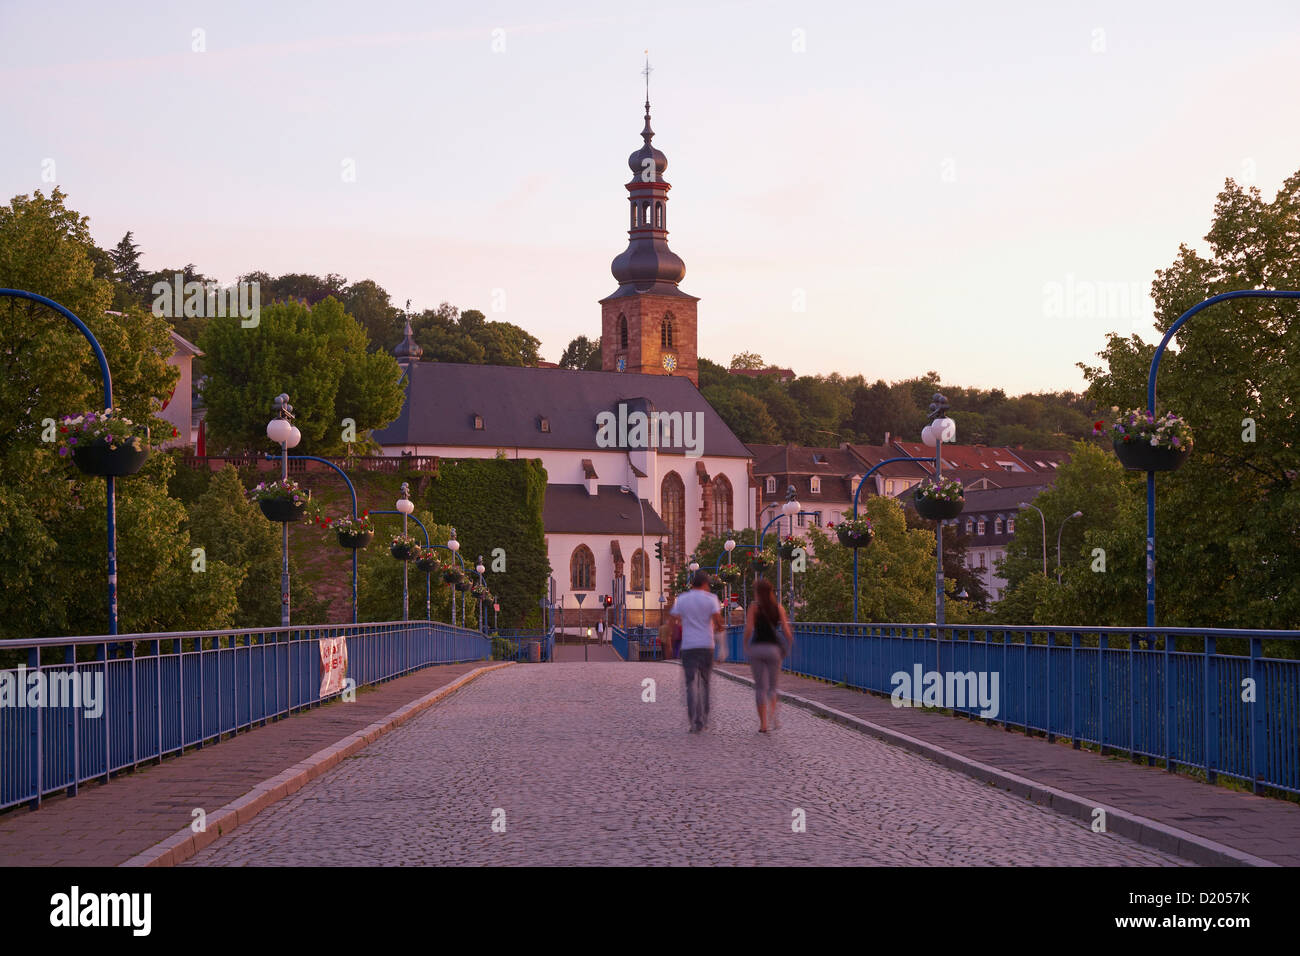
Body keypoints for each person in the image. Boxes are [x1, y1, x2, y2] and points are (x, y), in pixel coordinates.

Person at [669, 570, 723, 733]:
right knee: (705, 684)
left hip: (688, 646)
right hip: (706, 645)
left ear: (692, 583)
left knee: (690, 684)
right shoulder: (711, 599)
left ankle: (693, 721)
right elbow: (719, 623)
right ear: (706, 584)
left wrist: (671, 642)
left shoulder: (682, 599)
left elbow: (672, 621)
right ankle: (703, 720)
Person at [743, 578, 794, 734]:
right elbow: (786, 629)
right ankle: (773, 715)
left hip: (758, 648)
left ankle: (763, 724)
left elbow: (749, 628)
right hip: (773, 650)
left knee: (760, 687)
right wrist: (789, 645)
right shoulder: (778, 608)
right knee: (773, 686)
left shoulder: (754, 608)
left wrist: (746, 644)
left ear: (757, 592)